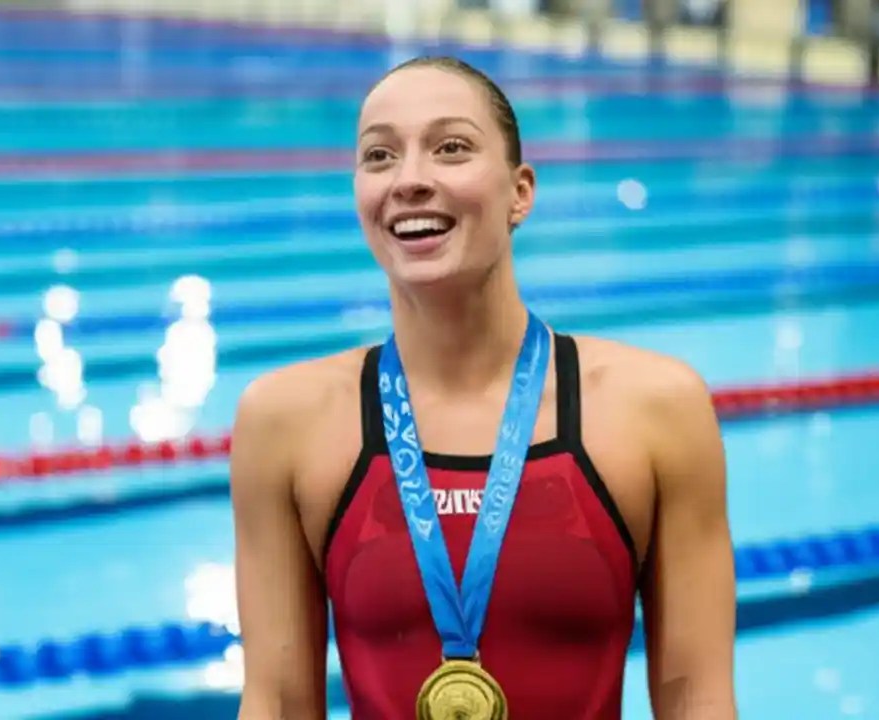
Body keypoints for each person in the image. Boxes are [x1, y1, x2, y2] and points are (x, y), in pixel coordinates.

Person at [230, 55, 736, 720]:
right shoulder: (285, 422)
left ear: (520, 192)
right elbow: (277, 700)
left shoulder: (655, 411)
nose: (409, 179)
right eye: (379, 155)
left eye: (451, 148)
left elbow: (696, 698)